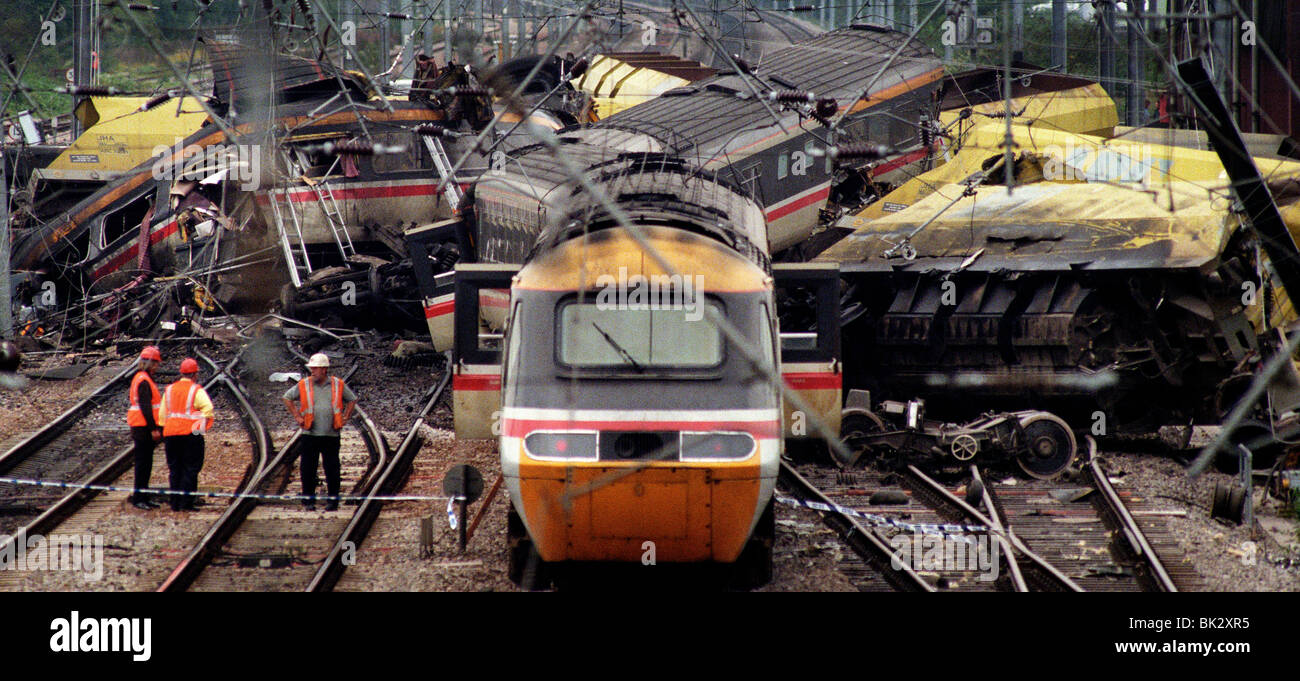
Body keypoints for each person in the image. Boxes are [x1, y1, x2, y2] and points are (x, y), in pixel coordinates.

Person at [282, 353, 357, 511]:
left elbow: (352, 399)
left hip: (331, 434)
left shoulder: (337, 384)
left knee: (332, 468)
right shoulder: (304, 384)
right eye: (311, 369)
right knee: (308, 468)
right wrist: (297, 416)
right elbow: (287, 398)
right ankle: (308, 500)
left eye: (315, 369)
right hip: (310, 434)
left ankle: (333, 501)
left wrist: (345, 418)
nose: (312, 371)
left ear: (324, 369)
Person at [158, 358, 214, 512]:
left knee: (175, 468)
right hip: (190, 435)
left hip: (170, 434)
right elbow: (208, 409)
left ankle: (175, 503)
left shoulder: (169, 389)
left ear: (181, 373)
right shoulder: (196, 390)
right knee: (190, 468)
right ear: (195, 374)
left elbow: (162, 414)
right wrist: (199, 428)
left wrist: (164, 430)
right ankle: (187, 503)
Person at [126, 345, 164, 510]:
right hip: (143, 428)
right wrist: (153, 429)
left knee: (146, 463)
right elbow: (145, 406)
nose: (157, 367)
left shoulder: (142, 378)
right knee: (143, 464)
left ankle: (144, 496)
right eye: (155, 364)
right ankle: (139, 498)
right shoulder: (143, 380)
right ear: (150, 363)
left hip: (142, 427)